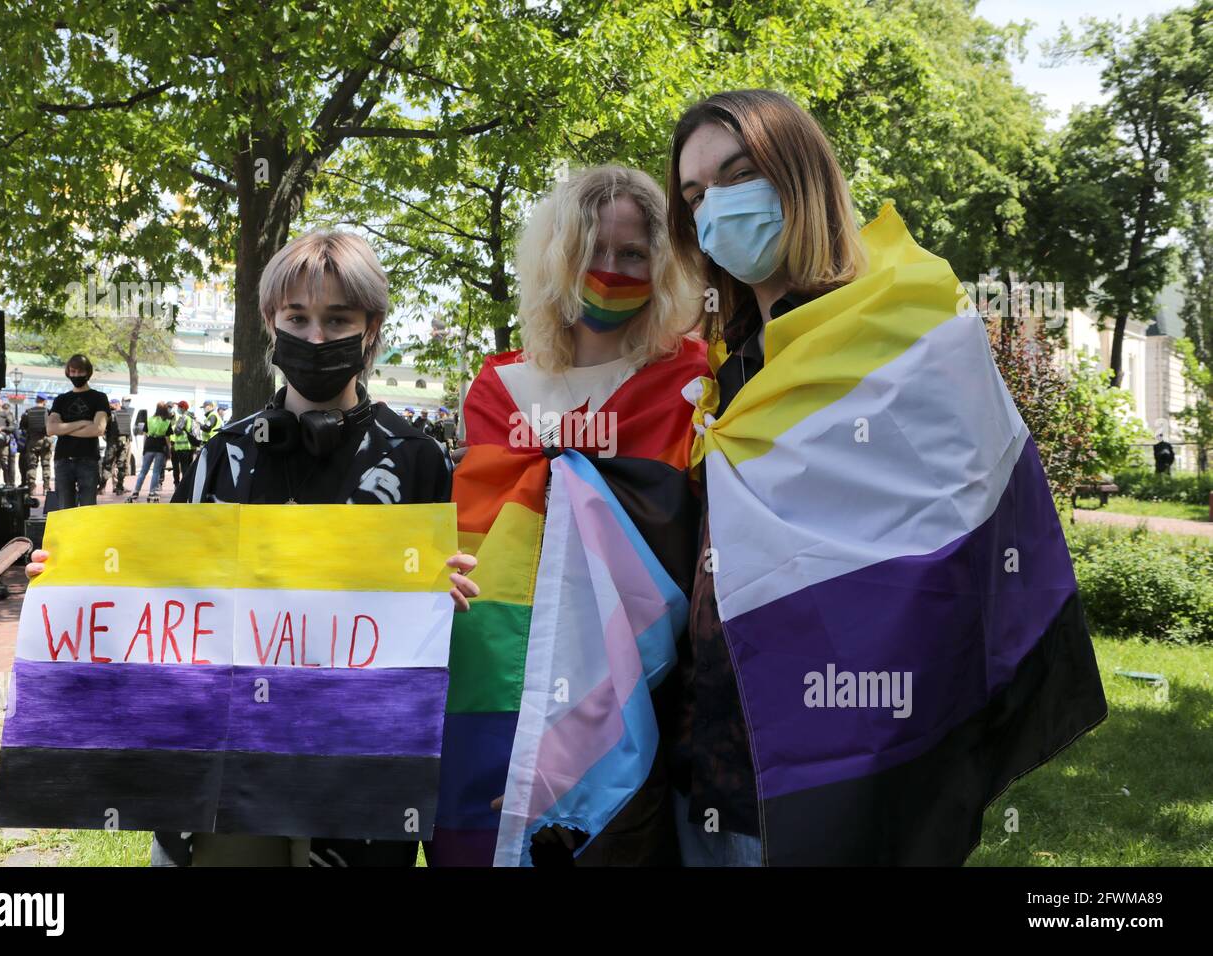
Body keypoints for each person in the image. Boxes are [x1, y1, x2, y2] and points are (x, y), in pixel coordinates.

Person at [664, 89, 1104, 866]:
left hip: (856, 732)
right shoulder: (722, 371)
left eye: (736, 177)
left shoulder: (910, 331)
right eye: (696, 196)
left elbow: (978, 518)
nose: (715, 210)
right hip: (720, 743)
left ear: (796, 173)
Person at [31, 228, 479, 866]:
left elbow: (441, 618)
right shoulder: (223, 455)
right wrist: (74, 584)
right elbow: (170, 591)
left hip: (358, 771)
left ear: (371, 326)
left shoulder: (418, 460)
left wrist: (450, 592)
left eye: (337, 318)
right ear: (271, 320)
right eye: (298, 317)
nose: (316, 337)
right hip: (226, 761)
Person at [430, 164, 708, 867]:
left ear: (665, 263)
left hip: (647, 685)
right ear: (559, 261)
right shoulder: (500, 388)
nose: (610, 272)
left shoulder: (694, 384)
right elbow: (483, 542)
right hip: (504, 680)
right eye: (592, 253)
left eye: (633, 253)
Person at [47, 354, 110, 509]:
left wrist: (64, 428)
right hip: (63, 460)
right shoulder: (61, 399)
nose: (75, 375)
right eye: (72, 371)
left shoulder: (99, 398)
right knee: (64, 509)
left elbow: (98, 429)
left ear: (87, 372)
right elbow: (51, 429)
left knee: (88, 509)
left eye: (79, 372)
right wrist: (82, 423)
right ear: (68, 372)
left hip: (88, 459)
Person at [127, 402, 171, 503]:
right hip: (160, 446)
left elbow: (145, 435)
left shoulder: (149, 419)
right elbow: (167, 438)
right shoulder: (166, 422)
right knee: (156, 471)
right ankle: (152, 492)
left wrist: (144, 448)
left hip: (149, 445)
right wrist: (169, 450)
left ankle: (136, 491)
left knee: (143, 471)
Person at [21, 394, 53, 493]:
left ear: (36, 400)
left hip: (32, 441)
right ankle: (46, 488)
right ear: (45, 401)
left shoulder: (28, 412)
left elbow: (22, 426)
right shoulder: (48, 412)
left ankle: (31, 487)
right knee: (46, 465)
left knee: (32, 465)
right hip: (46, 441)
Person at [169, 399, 198, 487]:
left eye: (179, 407)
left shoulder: (184, 417)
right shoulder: (192, 417)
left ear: (182, 408)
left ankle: (184, 486)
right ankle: (189, 485)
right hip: (191, 447)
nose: (178, 409)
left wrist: (175, 427)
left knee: (184, 467)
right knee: (189, 467)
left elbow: (177, 431)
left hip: (183, 447)